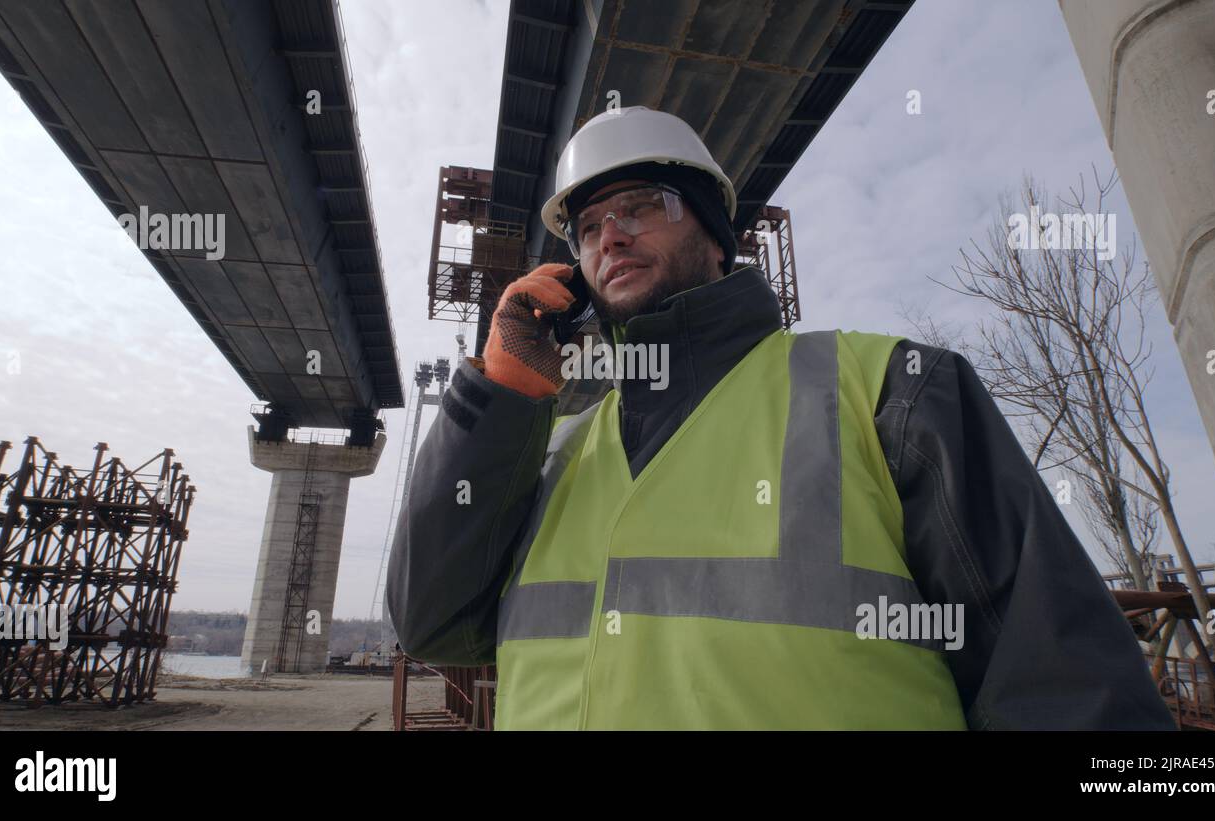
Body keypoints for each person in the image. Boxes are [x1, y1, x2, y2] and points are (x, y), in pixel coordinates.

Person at [387, 105, 1174, 730]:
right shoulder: (557, 448)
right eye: (588, 227)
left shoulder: (889, 394)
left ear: (715, 235)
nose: (610, 235)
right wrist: (495, 399)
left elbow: (1070, 691)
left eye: (642, 206)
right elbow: (432, 624)